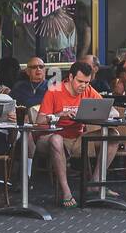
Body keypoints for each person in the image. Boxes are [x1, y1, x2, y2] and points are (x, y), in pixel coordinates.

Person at [36, 60, 113, 208]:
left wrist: (93, 114)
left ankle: (95, 183)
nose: (83, 86)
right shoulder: (55, 90)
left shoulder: (88, 90)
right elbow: (39, 121)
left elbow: (111, 110)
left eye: (87, 82)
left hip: (78, 139)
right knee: (57, 139)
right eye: (80, 81)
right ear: (70, 77)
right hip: (51, 137)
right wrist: (61, 115)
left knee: (113, 135)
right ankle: (66, 191)